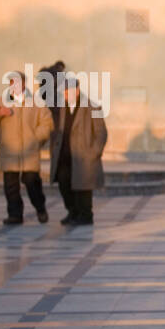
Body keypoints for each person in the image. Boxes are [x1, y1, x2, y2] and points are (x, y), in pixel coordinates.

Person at [0, 70, 53, 225]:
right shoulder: (2, 101)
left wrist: (36, 138)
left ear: (23, 84)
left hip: (30, 151)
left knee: (31, 181)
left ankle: (40, 207)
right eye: (12, 83)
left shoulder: (36, 102)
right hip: (10, 151)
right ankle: (15, 215)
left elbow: (47, 123)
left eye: (18, 83)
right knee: (11, 186)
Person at [49, 77, 107, 226]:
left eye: (69, 91)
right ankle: (72, 212)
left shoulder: (94, 107)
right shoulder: (62, 107)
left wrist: (94, 152)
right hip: (64, 154)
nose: (66, 94)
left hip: (83, 155)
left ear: (77, 90)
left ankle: (86, 215)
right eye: (65, 92)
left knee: (83, 187)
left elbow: (101, 132)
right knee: (64, 183)